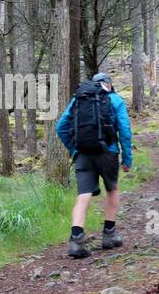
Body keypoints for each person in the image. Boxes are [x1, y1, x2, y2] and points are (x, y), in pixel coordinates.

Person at [55, 71, 133, 259]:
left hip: (83, 154)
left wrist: (74, 149)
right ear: (108, 83)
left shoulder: (79, 99)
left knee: (83, 195)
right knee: (112, 190)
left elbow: (61, 127)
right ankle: (109, 235)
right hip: (108, 152)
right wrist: (127, 159)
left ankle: (76, 241)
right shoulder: (115, 100)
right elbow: (125, 130)